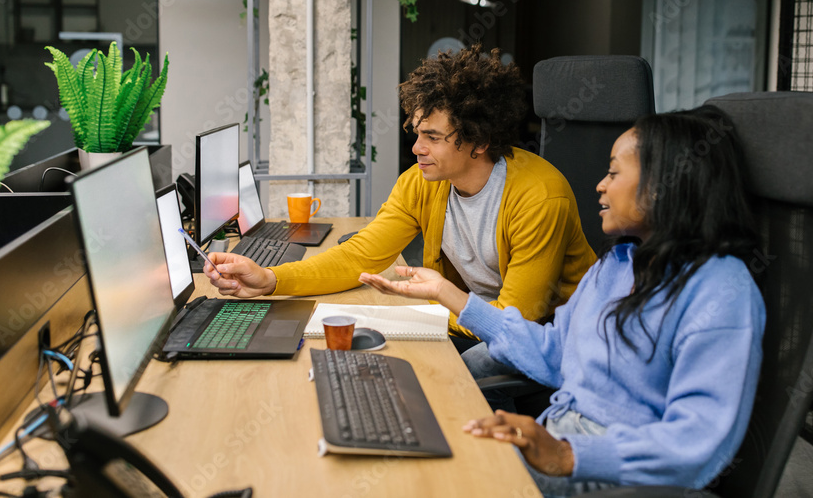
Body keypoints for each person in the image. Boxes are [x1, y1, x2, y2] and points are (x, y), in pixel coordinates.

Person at [359, 106, 766, 494]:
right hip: (561, 433)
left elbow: (699, 441)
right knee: (410, 448)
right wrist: (452, 297)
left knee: (436, 479)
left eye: (613, 172)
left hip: (620, 472)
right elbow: (558, 351)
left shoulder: (720, 290)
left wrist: (567, 454)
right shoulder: (619, 264)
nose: (600, 185)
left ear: (664, 185)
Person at [204, 44, 596, 345]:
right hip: (474, 320)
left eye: (432, 137)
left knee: (445, 371)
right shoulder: (421, 183)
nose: (416, 148)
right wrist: (270, 279)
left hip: (550, 337)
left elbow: (517, 323)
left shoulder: (539, 197)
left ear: (478, 141)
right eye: (417, 133)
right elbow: (360, 255)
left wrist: (428, 310)